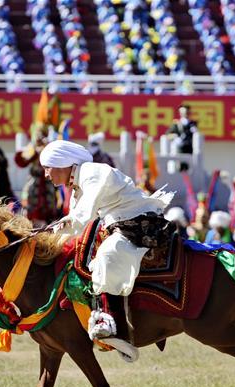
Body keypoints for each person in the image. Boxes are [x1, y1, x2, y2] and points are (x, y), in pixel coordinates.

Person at [39, 139, 174, 360]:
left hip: (137, 222)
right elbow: (74, 228)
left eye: (48, 167)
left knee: (106, 256)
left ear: (63, 163)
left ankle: (109, 321)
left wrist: (58, 228)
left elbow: (83, 216)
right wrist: (48, 239)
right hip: (116, 224)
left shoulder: (91, 173)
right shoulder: (76, 186)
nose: (46, 174)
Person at [15, 124, 60, 228]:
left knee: (50, 215)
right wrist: (34, 149)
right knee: (30, 216)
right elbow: (21, 162)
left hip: (48, 185)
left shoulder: (50, 146)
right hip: (33, 185)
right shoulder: (32, 147)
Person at [166, 104, 198, 171]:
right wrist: (175, 137)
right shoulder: (176, 124)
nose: (185, 114)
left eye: (187, 112)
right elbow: (167, 135)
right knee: (180, 167)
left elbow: (196, 135)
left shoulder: (193, 124)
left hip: (190, 148)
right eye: (183, 113)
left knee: (190, 168)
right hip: (180, 149)